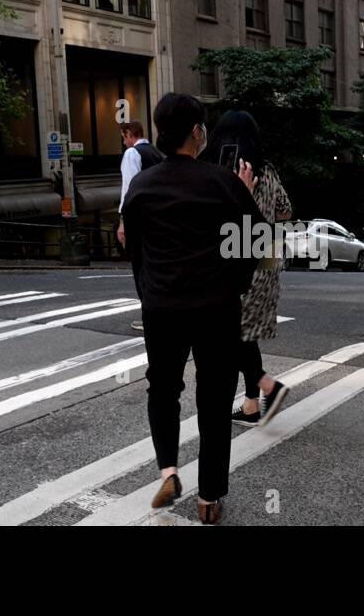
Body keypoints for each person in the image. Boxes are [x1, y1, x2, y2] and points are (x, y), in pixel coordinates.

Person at [121, 93, 266, 524]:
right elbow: (255, 243)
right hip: (215, 306)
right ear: (197, 133)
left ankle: (168, 469)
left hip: (162, 306)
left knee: (163, 389)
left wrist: (150, 294)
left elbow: (137, 253)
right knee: (214, 397)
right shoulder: (221, 182)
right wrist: (233, 285)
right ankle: (208, 497)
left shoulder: (141, 186)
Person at [201, 110, 293, 427]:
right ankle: (252, 404)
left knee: (231, 333)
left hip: (235, 260)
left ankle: (268, 386)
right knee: (244, 332)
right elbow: (286, 212)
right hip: (266, 256)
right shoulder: (267, 172)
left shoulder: (221, 172)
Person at [117, 121, 164, 332]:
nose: (123, 141)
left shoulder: (132, 155)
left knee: (140, 269)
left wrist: (122, 223)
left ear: (129, 134)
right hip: (159, 220)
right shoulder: (156, 153)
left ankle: (149, 316)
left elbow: (129, 189)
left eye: (123, 136)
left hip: (140, 220)